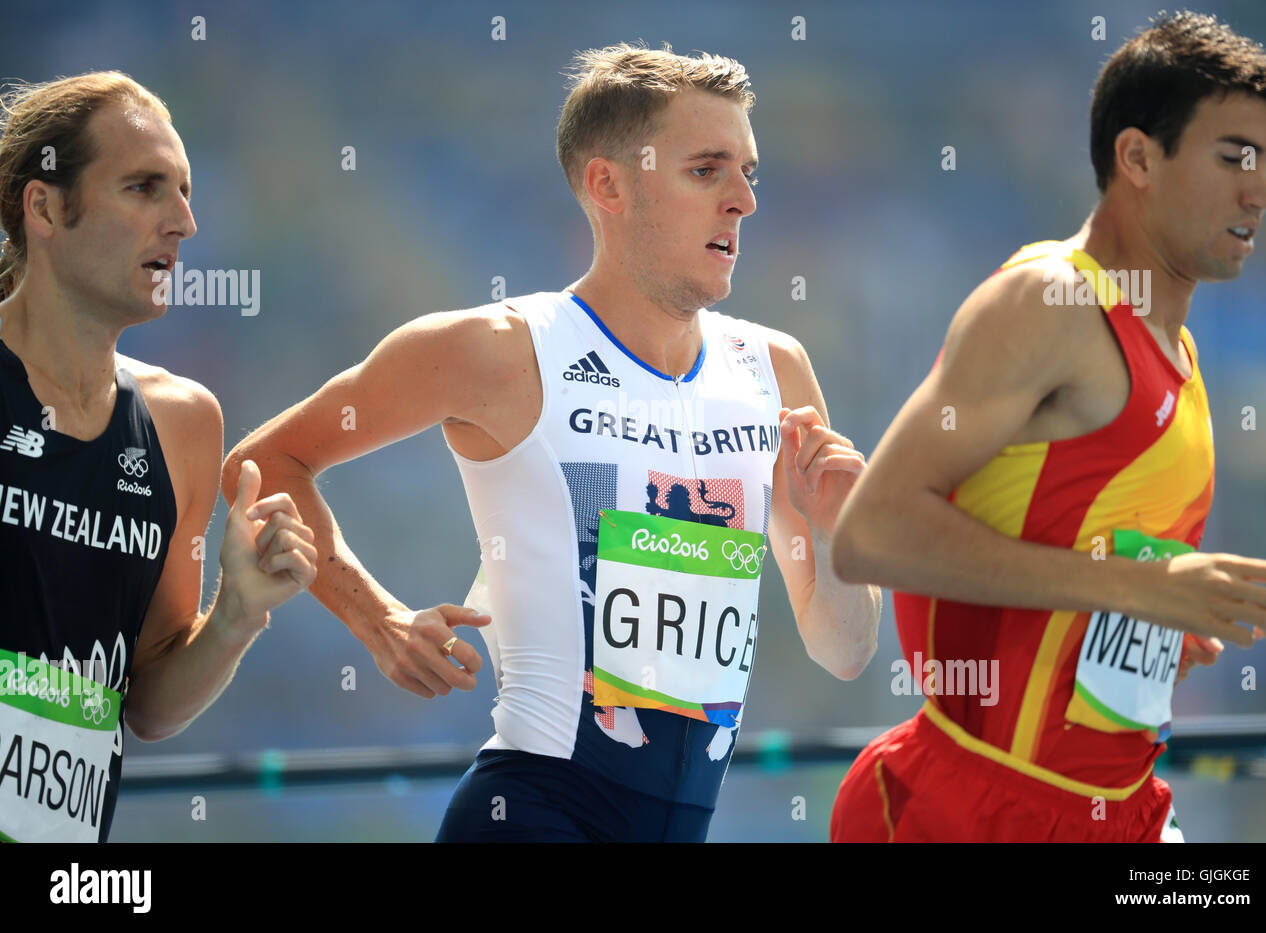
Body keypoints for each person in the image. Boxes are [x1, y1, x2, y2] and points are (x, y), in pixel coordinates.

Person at [222, 43, 881, 842]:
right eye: (706, 170)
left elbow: (844, 652)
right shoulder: (500, 349)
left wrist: (831, 532)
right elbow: (264, 464)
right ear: (609, 184)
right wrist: (380, 620)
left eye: (748, 172)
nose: (743, 200)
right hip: (531, 815)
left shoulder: (774, 369)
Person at [830, 12, 1266, 843]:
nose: (1263, 191)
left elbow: (1079, 556)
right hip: (975, 804)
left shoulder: (1178, 349)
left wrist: (1149, 626)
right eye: (1235, 157)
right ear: (1138, 157)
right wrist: (1141, 591)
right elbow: (872, 532)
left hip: (1126, 810)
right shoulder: (1049, 301)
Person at [0, 72, 317, 842]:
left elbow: (147, 705)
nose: (184, 221)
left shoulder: (182, 422)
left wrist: (236, 614)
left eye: (183, 190)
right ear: (44, 207)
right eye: (144, 188)